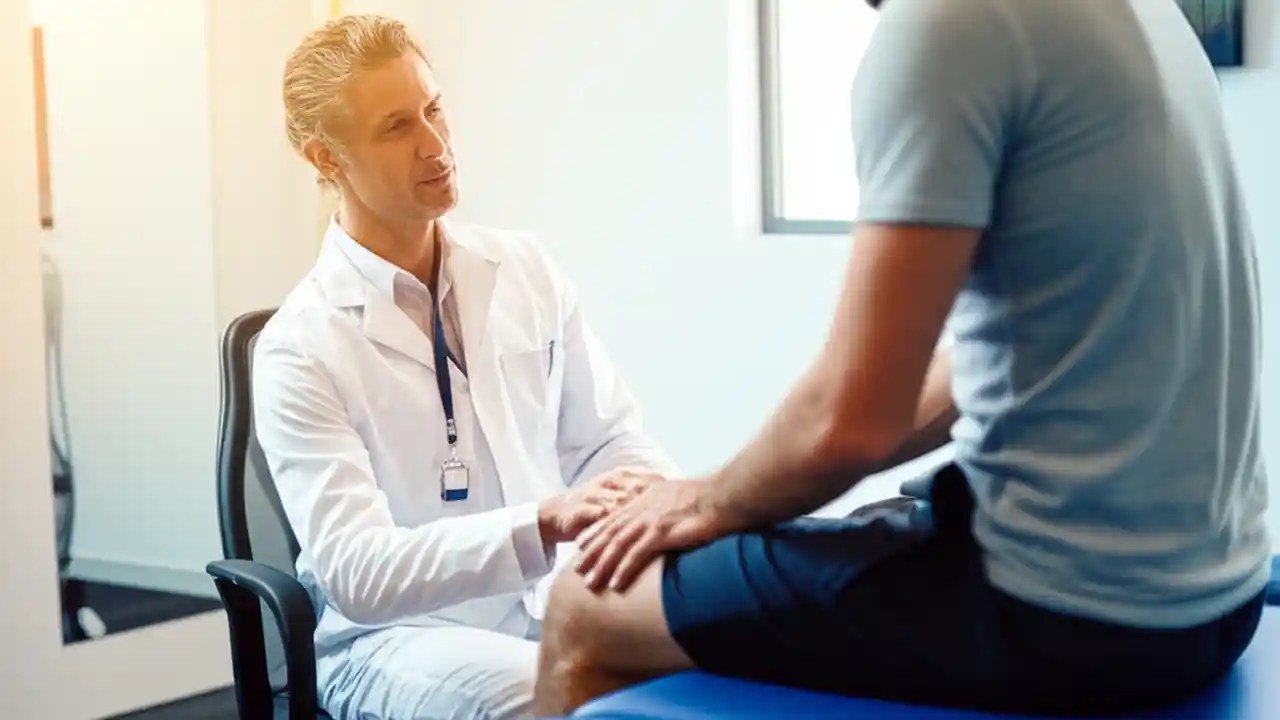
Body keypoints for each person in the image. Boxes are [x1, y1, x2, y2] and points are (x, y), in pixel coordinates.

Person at [534, 0, 1269, 716]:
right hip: (1214, 601)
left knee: (585, 604)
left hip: (1065, 614)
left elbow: (847, 425)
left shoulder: (946, 23)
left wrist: (707, 501)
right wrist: (724, 499)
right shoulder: (1150, 15)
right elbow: (1007, 361)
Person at [253, 14, 677, 720]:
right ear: (326, 159)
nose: (436, 144)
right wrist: (541, 524)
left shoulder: (523, 268)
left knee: (742, 643)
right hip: (400, 640)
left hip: (556, 601)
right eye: (396, 127)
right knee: (568, 700)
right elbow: (358, 573)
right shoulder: (300, 346)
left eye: (435, 108)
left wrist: (661, 508)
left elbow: (606, 440)